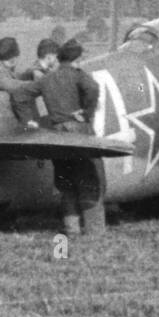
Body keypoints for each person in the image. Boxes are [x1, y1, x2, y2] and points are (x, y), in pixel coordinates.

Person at [20, 40, 105, 235]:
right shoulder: (78, 75)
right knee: (90, 180)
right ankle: (95, 232)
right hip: (78, 132)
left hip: (57, 134)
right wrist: (87, 111)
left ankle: (71, 229)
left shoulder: (47, 79)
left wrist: (28, 121)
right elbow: (93, 89)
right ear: (77, 59)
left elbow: (20, 95)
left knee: (66, 183)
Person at [0, 36, 40, 124]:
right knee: (23, 92)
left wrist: (32, 72)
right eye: (13, 59)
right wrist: (40, 84)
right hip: (1, 120)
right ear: (12, 58)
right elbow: (12, 85)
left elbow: (14, 76)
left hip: (4, 116)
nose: (15, 61)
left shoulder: (0, 65)